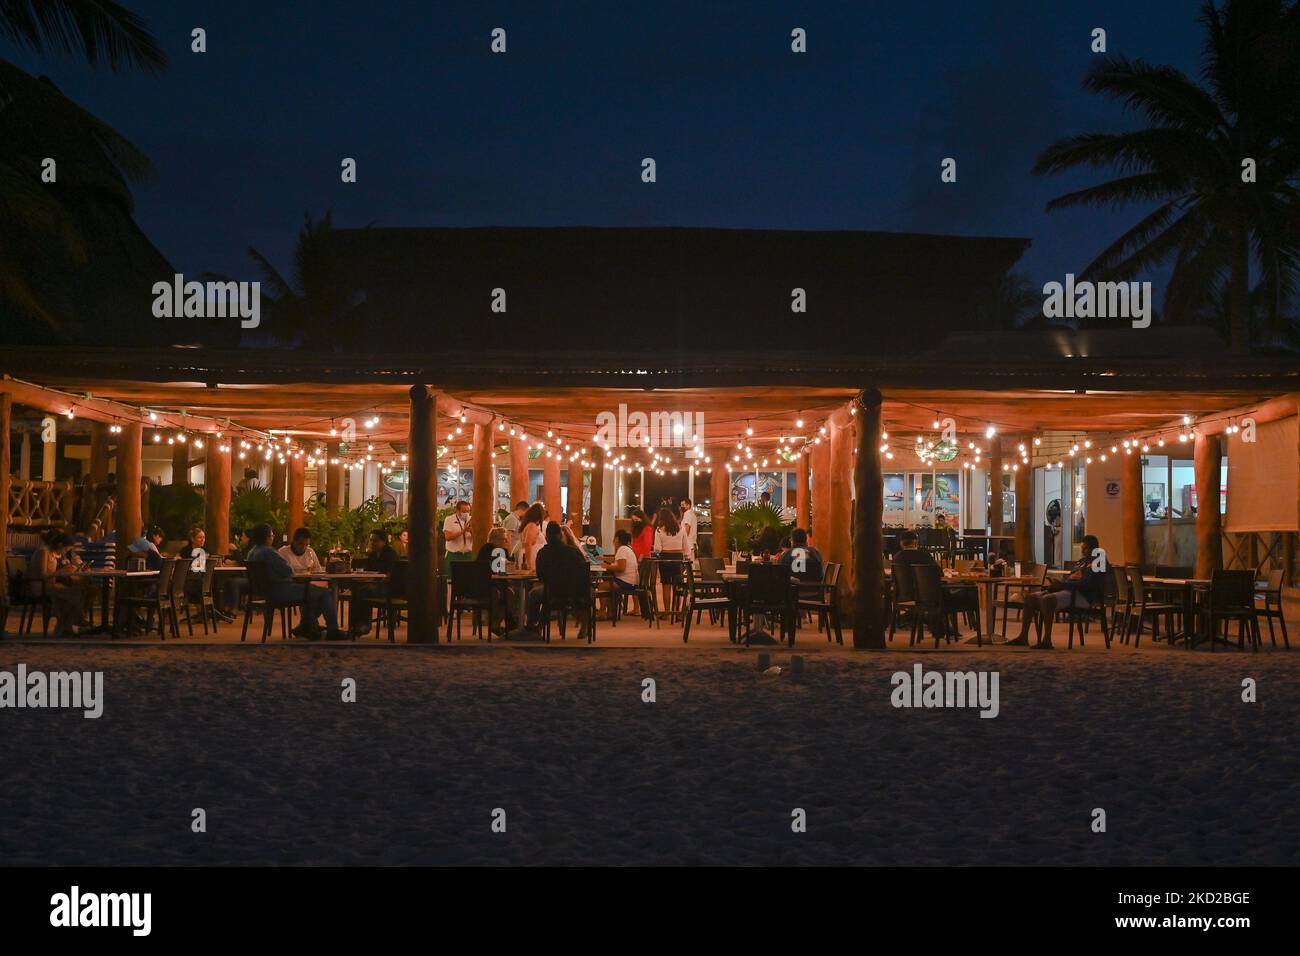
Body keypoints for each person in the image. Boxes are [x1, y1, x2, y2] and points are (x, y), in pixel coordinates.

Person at [245, 523, 343, 640]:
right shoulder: (269, 552)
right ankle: (333, 630)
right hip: (281, 590)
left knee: (312, 594)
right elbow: (288, 570)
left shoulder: (252, 552)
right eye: (272, 535)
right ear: (266, 537)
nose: (273, 537)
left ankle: (306, 626)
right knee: (325, 593)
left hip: (268, 591)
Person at [1009, 534, 1107, 649]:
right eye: (1082, 548)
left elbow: (1087, 584)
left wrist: (1064, 585)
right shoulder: (1083, 561)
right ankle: (1023, 637)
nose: (1082, 551)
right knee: (1031, 598)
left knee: (1048, 600)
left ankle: (1047, 640)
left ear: (1093, 548)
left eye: (1085, 549)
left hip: (1083, 596)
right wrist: (1058, 585)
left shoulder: (1099, 561)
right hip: (1070, 591)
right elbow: (1072, 577)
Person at [892, 529, 977, 641]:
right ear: (916, 542)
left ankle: (940, 628)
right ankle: (948, 628)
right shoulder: (924, 556)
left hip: (904, 596)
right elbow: (938, 574)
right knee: (951, 591)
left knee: (938, 596)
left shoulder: (897, 558)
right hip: (927, 596)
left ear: (901, 543)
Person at [526, 521, 592, 630]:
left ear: (546, 537)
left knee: (534, 593)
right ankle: (584, 622)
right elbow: (583, 572)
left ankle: (532, 624)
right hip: (576, 591)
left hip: (552, 591)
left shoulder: (543, 553)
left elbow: (540, 576)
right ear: (561, 536)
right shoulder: (573, 551)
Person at [27, 533, 90, 636]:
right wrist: (61, 571)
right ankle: (78, 619)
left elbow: (53, 574)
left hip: (50, 585)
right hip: (40, 586)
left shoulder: (52, 554)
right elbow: (43, 575)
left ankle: (65, 626)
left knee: (75, 592)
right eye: (65, 549)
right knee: (73, 593)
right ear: (60, 545)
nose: (65, 552)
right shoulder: (44, 552)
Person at [350, 529, 399, 635]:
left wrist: (375, 582)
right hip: (375, 585)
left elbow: (392, 575)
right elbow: (368, 572)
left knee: (363, 592)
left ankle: (365, 625)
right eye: (371, 540)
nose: (372, 543)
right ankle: (355, 625)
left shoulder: (390, 554)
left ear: (384, 541)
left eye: (375, 541)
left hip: (388, 587)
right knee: (356, 590)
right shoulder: (372, 555)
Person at [518, 502, 547, 572]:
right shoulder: (532, 526)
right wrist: (529, 564)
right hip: (532, 557)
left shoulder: (530, 525)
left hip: (533, 556)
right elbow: (528, 544)